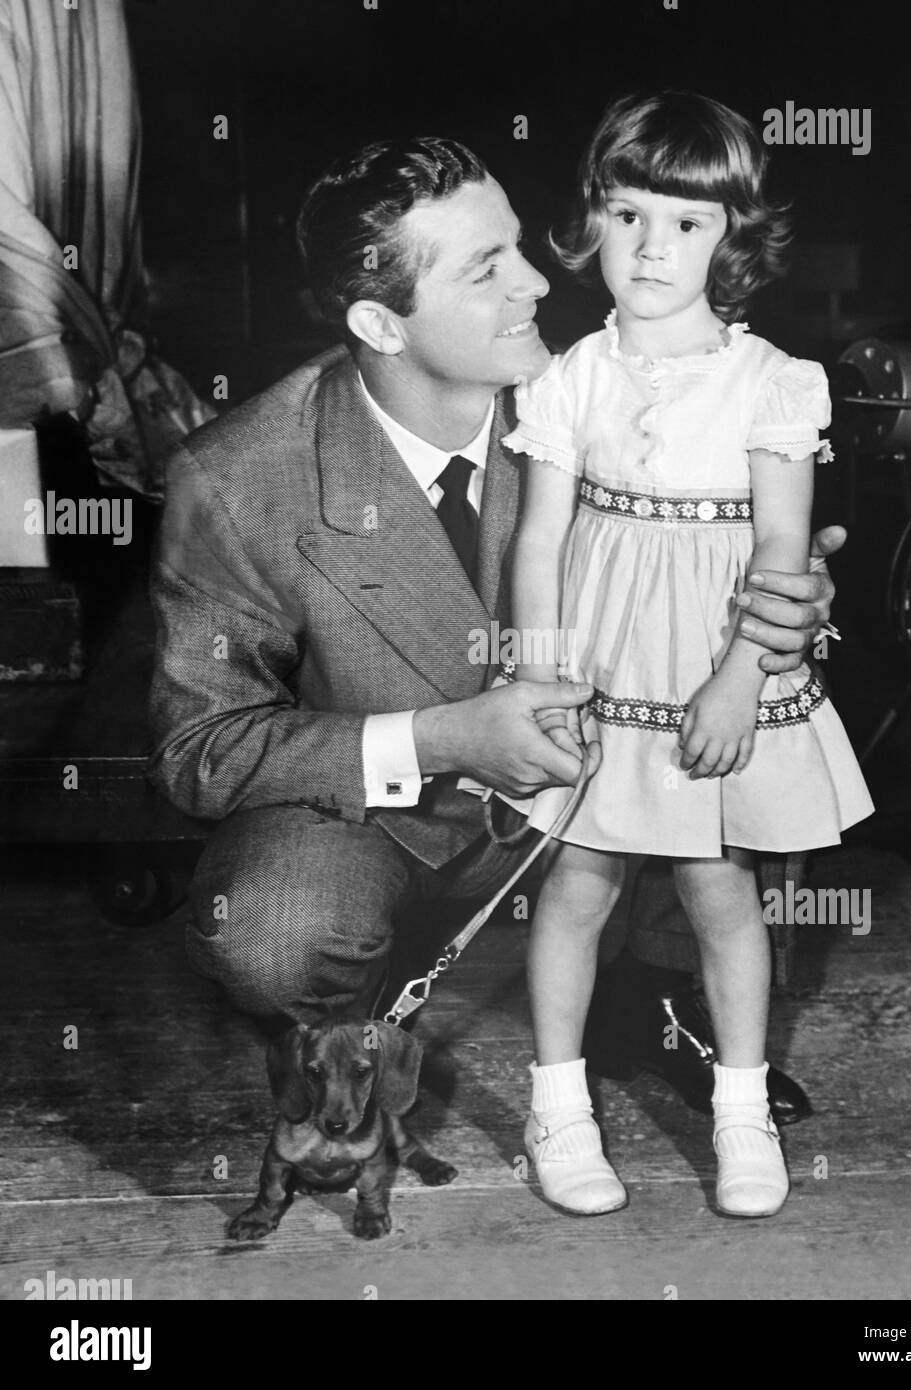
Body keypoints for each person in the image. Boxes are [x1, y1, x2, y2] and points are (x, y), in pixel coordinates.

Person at [147, 134, 839, 1125]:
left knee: (731, 779)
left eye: (516, 245)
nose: (532, 283)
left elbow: (742, 542)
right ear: (380, 323)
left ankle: (650, 996)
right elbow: (198, 752)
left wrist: (785, 606)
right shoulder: (237, 475)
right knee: (272, 928)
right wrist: (444, 737)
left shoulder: (608, 390)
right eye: (485, 269)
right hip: (394, 817)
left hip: (613, 779)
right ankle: (355, 1023)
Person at [503, 92, 874, 1219]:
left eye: (685, 221)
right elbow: (538, 539)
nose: (651, 247)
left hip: (715, 668)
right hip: (602, 674)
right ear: (590, 227)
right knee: (576, 882)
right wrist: (541, 681)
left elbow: (776, 546)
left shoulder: (772, 381)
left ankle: (739, 1107)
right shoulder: (567, 375)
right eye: (626, 216)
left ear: (734, 239)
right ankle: (557, 1106)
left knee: (723, 891)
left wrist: (732, 681)